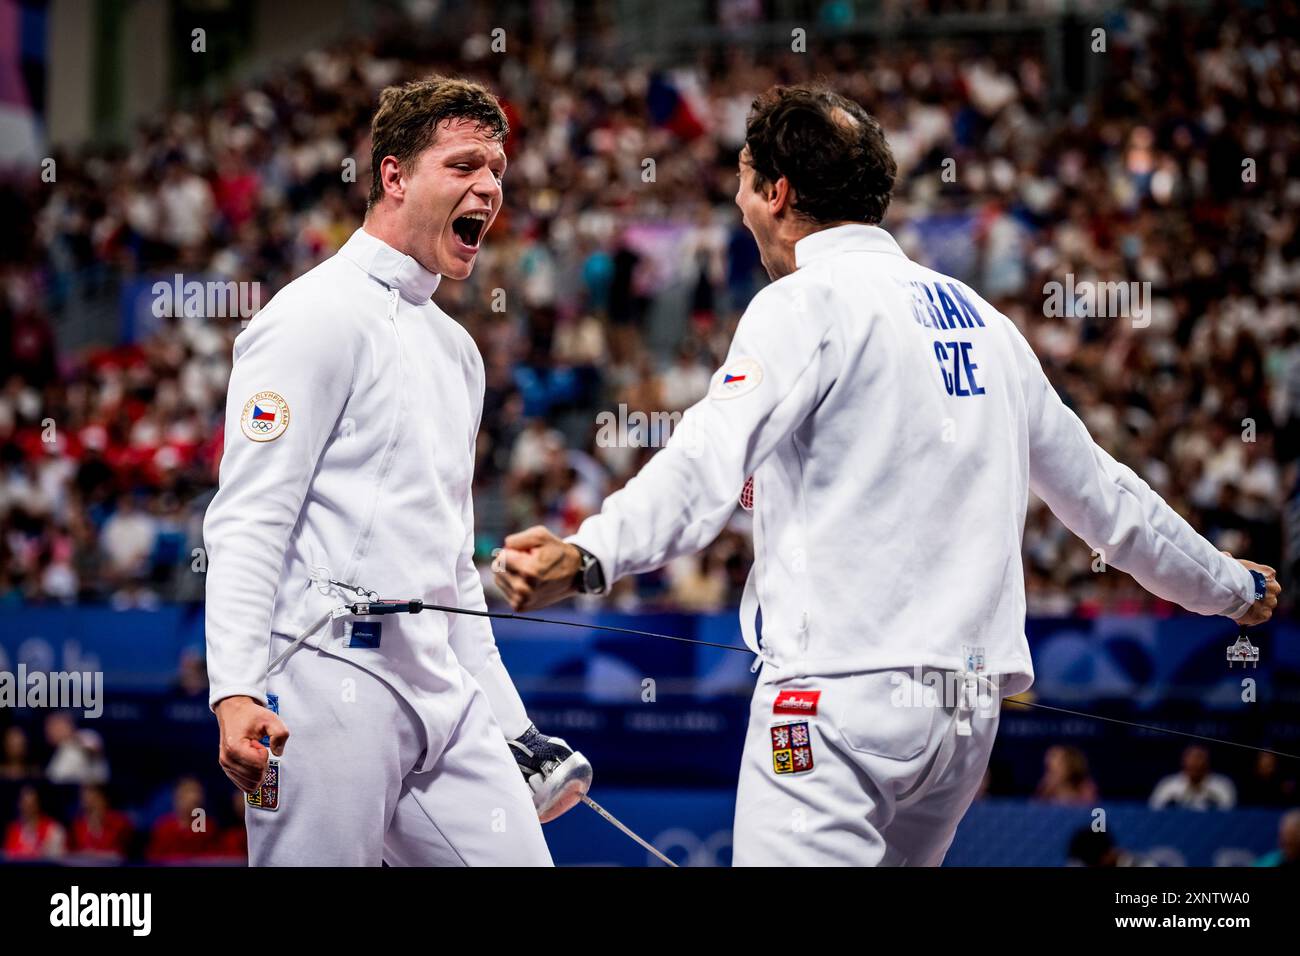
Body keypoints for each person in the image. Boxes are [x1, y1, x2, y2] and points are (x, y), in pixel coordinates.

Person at [494, 84, 1281, 866]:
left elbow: (707, 456)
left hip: (835, 705)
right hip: (964, 720)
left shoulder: (801, 304)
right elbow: (1103, 497)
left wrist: (591, 554)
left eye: (741, 178)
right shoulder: (984, 322)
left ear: (778, 193)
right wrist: (1228, 587)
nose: (736, 202)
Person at [203, 75, 583, 866]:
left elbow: (451, 568)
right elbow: (249, 518)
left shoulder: (459, 353)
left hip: (440, 691)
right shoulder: (311, 317)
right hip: (320, 679)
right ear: (395, 176)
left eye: (498, 171)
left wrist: (516, 728)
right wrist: (234, 687)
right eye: (465, 165)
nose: (490, 186)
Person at [1149, 745, 1238, 810]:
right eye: (1191, 764)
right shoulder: (1168, 785)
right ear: (1183, 763)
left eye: (1199, 759)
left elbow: (1229, 814)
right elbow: (1155, 811)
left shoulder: (1222, 785)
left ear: (1207, 764)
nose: (1195, 763)